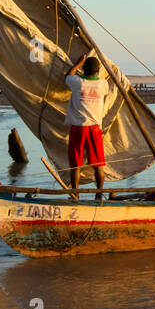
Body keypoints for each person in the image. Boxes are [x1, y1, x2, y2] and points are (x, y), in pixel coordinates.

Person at [64, 53, 110, 200]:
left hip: (78, 127)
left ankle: (75, 194)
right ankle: (99, 194)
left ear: (83, 70)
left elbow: (67, 76)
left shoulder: (78, 82)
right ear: (97, 71)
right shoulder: (103, 84)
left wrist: (78, 63)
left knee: (75, 164)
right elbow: (101, 79)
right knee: (98, 164)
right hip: (94, 128)